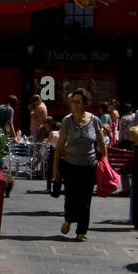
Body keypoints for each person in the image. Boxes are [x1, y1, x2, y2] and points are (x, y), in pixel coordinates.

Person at [52, 87, 107, 241]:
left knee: (86, 199)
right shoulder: (67, 121)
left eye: (78, 102)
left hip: (89, 166)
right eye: (73, 102)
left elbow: (101, 144)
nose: (74, 105)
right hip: (70, 165)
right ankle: (69, 218)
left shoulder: (94, 121)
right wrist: (55, 169)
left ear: (85, 104)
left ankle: (81, 231)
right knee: (71, 197)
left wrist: (105, 163)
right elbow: (60, 147)